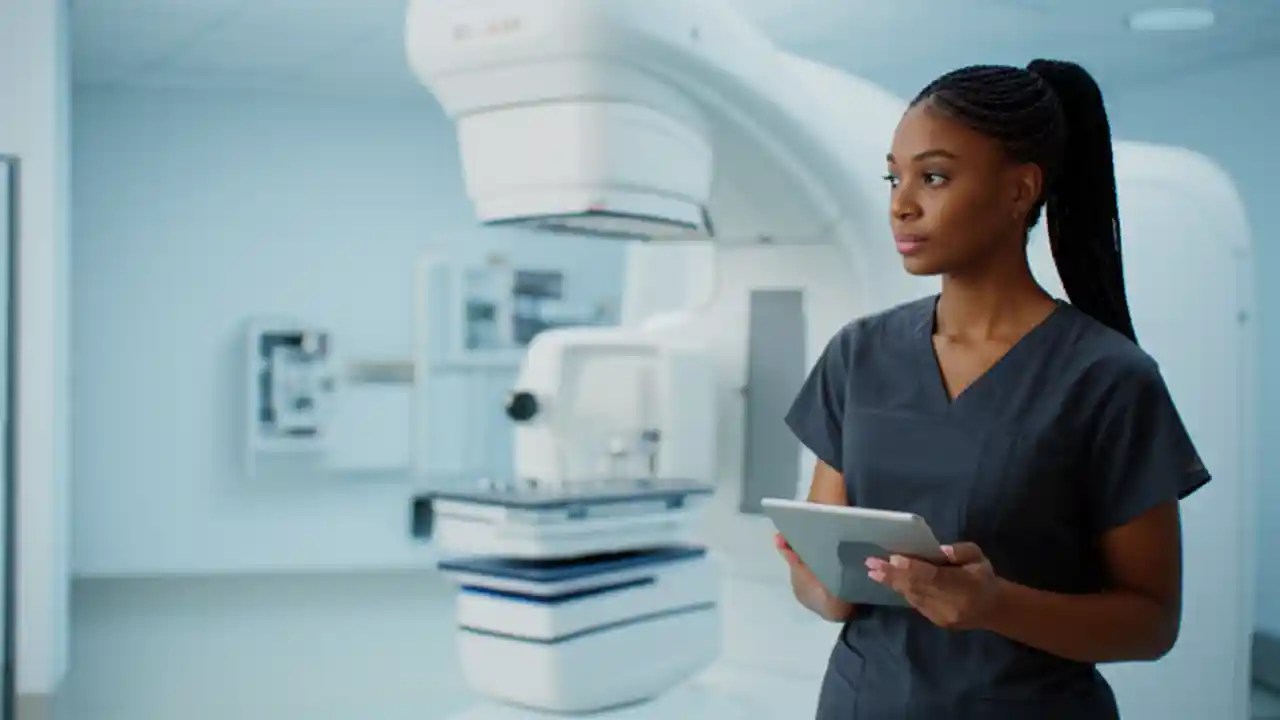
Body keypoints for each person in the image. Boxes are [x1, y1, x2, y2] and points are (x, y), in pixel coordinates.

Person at [776, 59, 1211, 719]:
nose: (901, 203)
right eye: (894, 177)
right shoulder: (857, 355)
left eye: (934, 177)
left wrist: (994, 605)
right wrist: (817, 583)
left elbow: (1152, 624)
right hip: (861, 701)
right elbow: (830, 593)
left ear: (1019, 190)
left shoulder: (1108, 378)